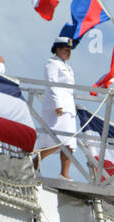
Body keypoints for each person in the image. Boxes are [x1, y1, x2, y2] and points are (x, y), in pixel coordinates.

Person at [36, 37, 76, 179]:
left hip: (68, 110)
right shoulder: (52, 63)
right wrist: (58, 104)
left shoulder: (68, 67)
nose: (69, 52)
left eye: (70, 50)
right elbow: (51, 83)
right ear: (57, 49)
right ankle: (34, 163)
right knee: (55, 140)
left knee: (70, 142)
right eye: (66, 49)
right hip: (56, 108)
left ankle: (64, 174)